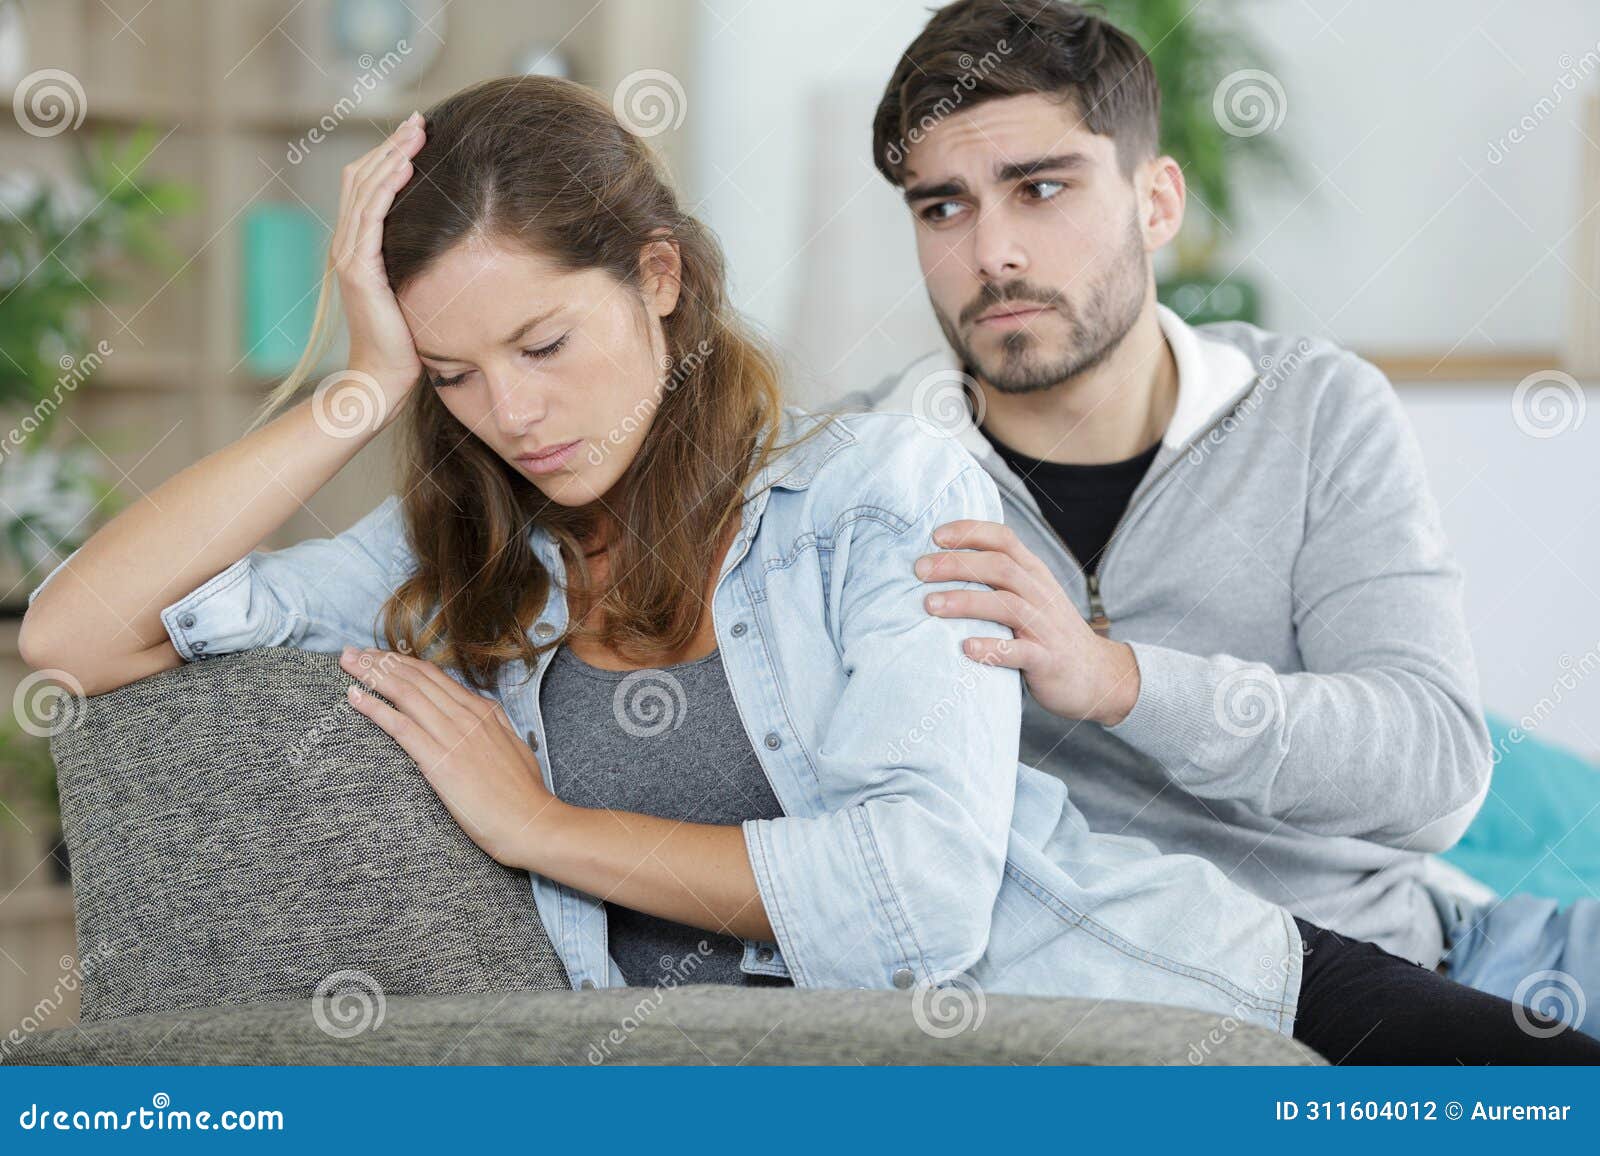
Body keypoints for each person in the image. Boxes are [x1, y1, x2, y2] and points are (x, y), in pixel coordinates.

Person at [20, 75, 1598, 1064]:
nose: (512, 413)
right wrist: (358, 388)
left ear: (655, 282)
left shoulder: (876, 490)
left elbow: (913, 894)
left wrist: (543, 826)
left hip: (1192, 981)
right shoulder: (456, 559)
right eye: (457, 374)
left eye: (544, 345)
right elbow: (76, 646)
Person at [854, 0, 1600, 1042]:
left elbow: (1433, 773)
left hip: (1426, 956)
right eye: (942, 208)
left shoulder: (1310, 406)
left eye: (1041, 189)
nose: (993, 253)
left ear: (1156, 203)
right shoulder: (865, 475)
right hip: (1160, 1013)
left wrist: (1120, 681)